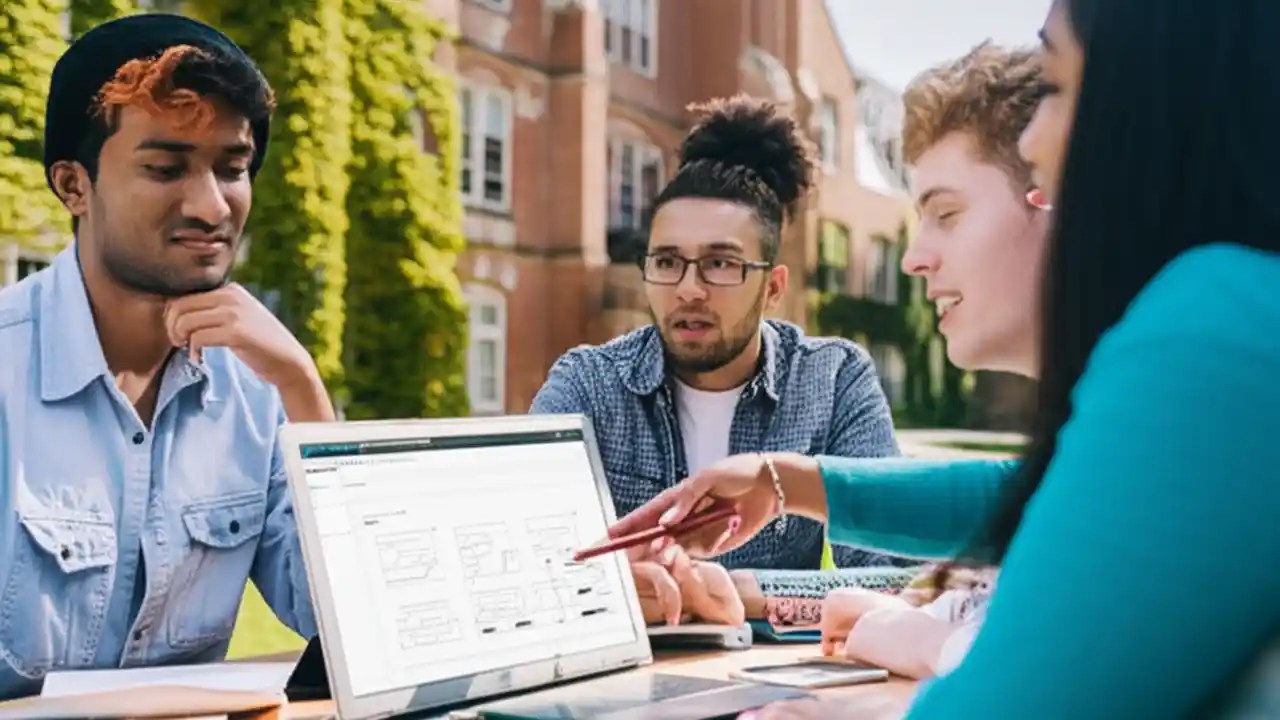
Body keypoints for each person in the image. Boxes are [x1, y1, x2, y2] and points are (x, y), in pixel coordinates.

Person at [610, 0, 1280, 716]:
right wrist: (786, 484)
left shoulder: (1211, 336)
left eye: (1054, 87)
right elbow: (1036, 493)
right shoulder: (1235, 317)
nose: (1038, 140)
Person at [0, 15, 331, 699]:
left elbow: (345, 622)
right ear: (73, 186)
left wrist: (304, 387)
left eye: (233, 168)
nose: (212, 206)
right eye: (164, 167)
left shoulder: (258, 386)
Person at [531, 95, 903, 626]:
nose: (689, 290)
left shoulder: (834, 379)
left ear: (772, 287)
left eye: (720, 264)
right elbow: (529, 559)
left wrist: (730, 592)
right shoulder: (588, 383)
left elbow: (888, 579)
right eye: (667, 262)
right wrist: (610, 587)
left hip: (774, 688)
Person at [817, 42, 1051, 679]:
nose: (915, 257)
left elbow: (1051, 672)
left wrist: (921, 639)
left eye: (946, 214)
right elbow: (1022, 492)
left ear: (1052, 196)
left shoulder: (1176, 387)